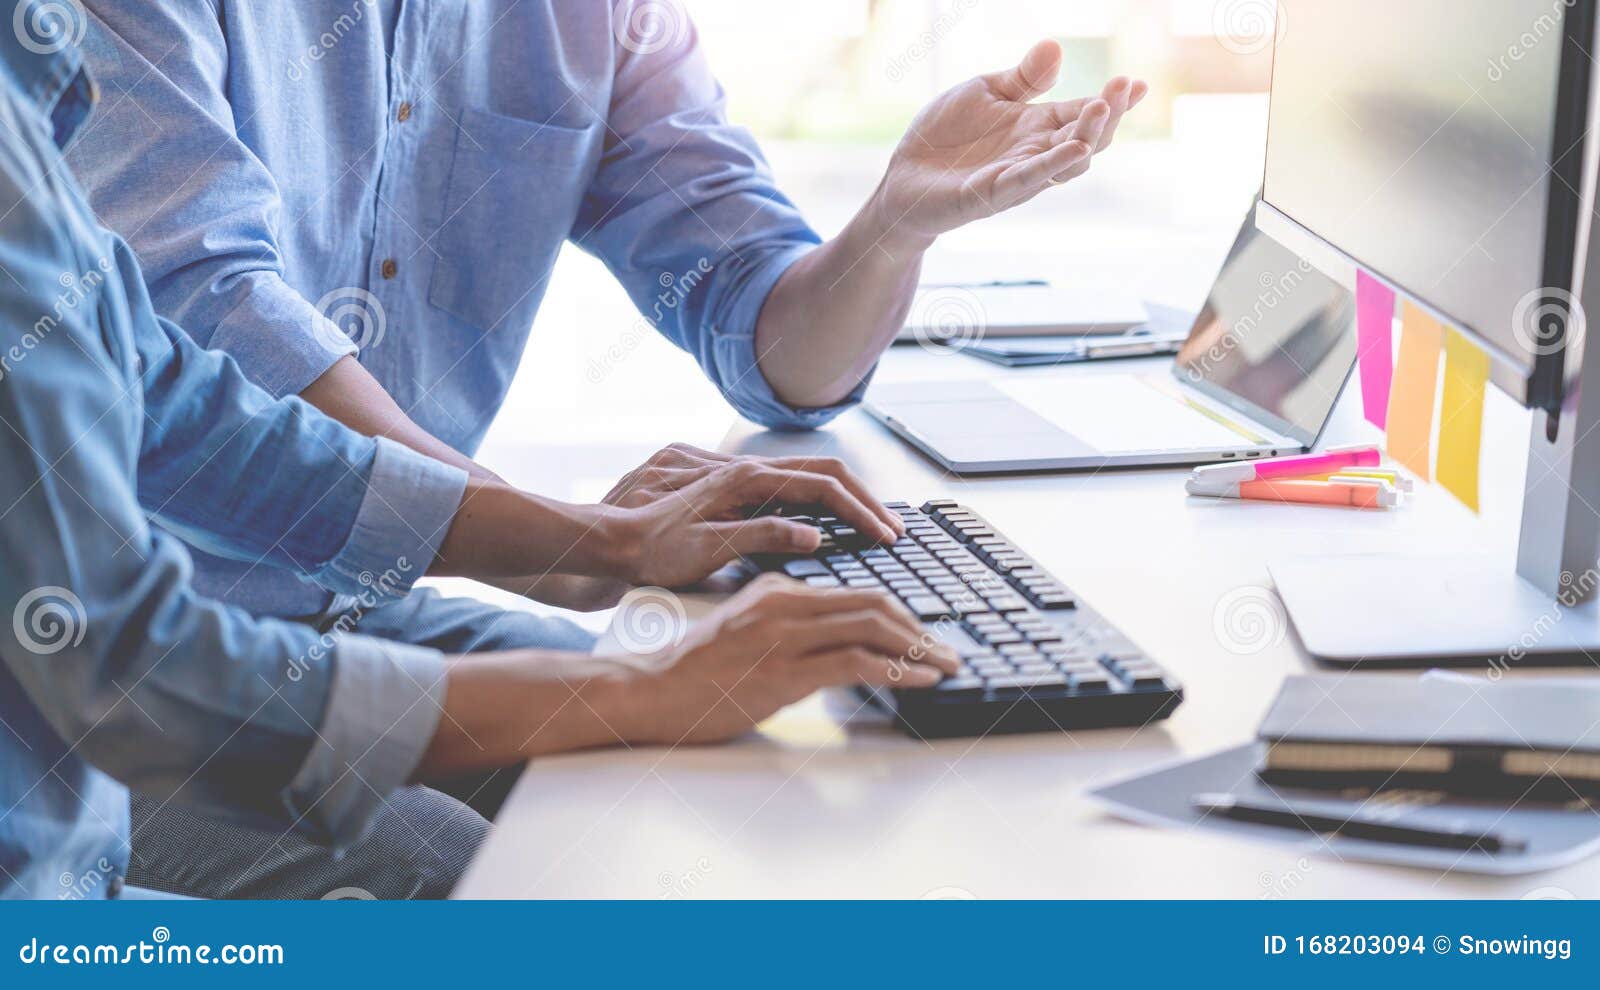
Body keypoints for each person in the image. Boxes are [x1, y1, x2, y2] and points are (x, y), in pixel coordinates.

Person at [60, 1, 1143, 894]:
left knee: (711, 771)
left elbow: (766, 334)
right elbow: (199, 331)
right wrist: (569, 541)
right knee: (464, 875)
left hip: (349, 606)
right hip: (100, 664)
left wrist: (892, 229)